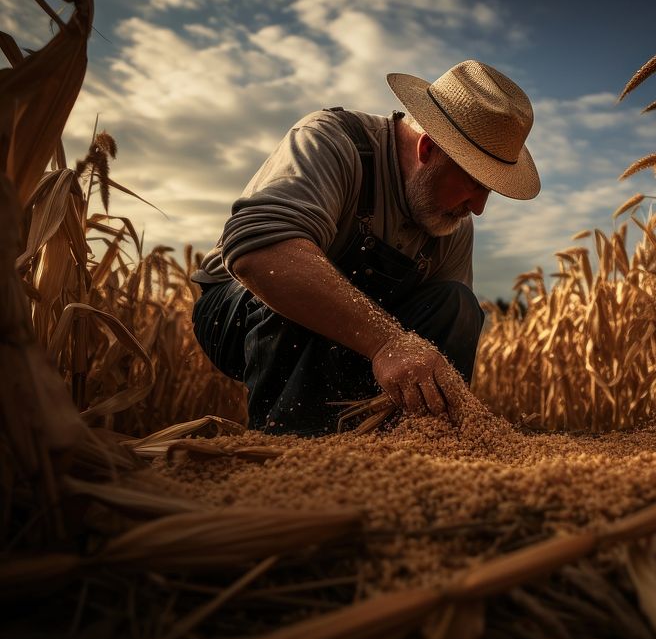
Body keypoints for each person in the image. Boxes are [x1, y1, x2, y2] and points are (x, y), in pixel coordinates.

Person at [190, 60, 540, 435]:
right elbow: (260, 253)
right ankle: (294, 450)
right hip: (240, 311)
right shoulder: (332, 140)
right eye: (475, 184)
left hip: (363, 332)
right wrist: (387, 343)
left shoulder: (453, 222)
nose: (479, 208)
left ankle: (416, 445)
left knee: (457, 304)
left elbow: (443, 328)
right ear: (427, 148)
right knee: (293, 270)